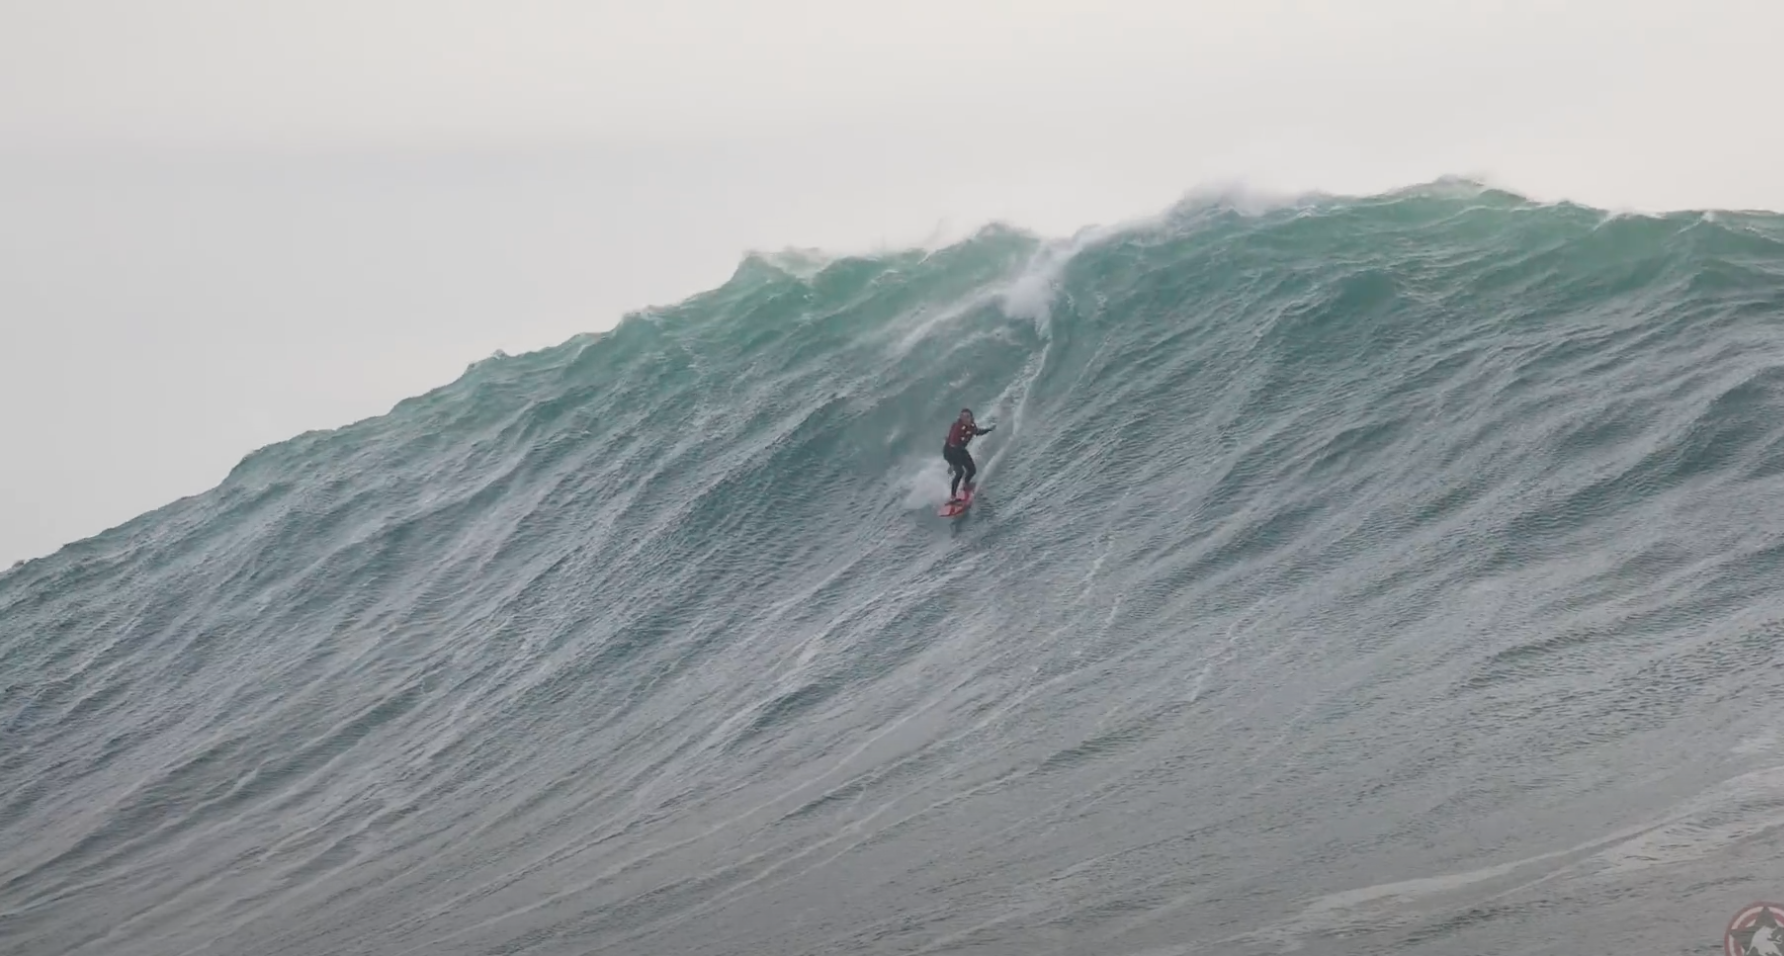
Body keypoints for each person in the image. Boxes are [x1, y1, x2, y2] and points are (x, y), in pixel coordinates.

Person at [943, 408, 995, 502]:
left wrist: (988, 430)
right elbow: (953, 445)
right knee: (960, 473)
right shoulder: (957, 428)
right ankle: (952, 497)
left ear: (971, 417)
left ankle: (965, 485)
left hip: (960, 450)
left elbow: (977, 432)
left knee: (972, 470)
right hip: (950, 452)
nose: (965, 419)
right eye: (963, 417)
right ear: (961, 418)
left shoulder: (971, 425)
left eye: (968, 417)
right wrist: (952, 464)